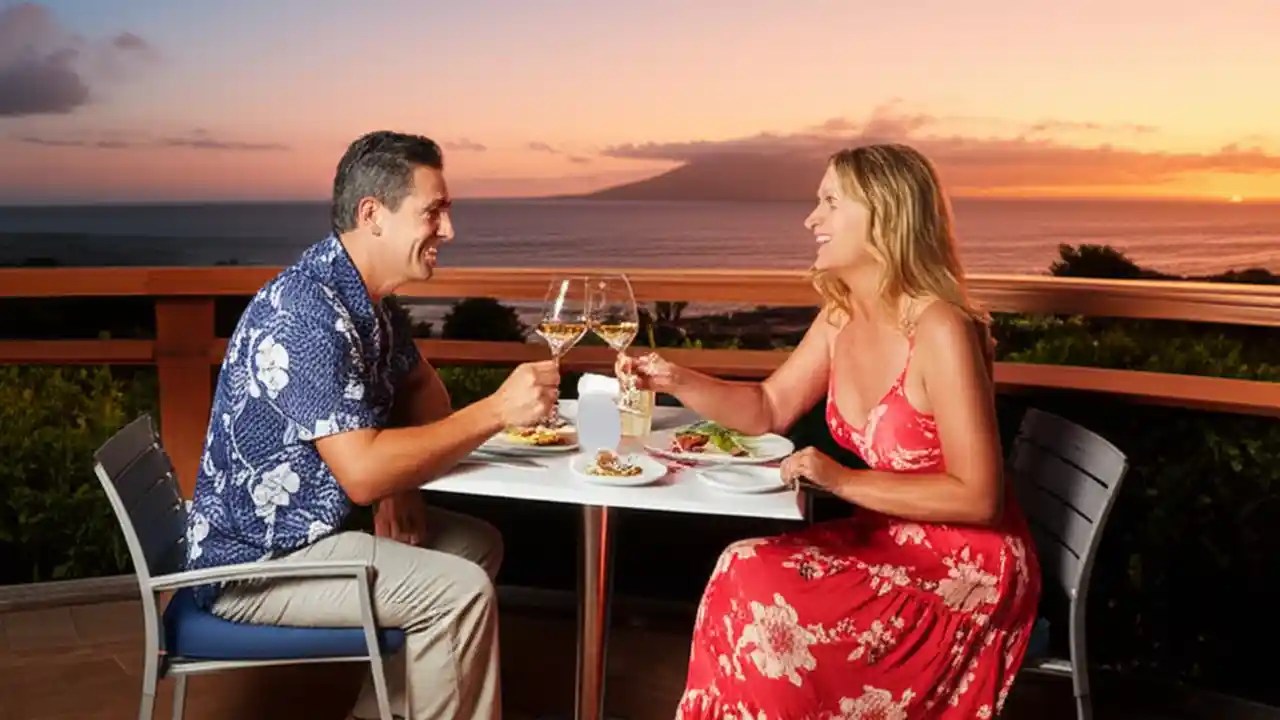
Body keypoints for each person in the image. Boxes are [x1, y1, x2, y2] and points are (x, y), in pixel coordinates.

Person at [620, 144, 1041, 719]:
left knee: (758, 586)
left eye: (830, 202)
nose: (810, 219)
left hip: (963, 570)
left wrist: (840, 480)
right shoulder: (840, 316)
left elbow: (979, 498)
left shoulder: (940, 327)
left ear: (885, 214)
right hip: (885, 538)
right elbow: (768, 406)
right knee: (741, 567)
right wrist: (674, 377)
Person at [184, 130, 561, 720]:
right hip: (260, 564)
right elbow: (362, 474)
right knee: (457, 593)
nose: (448, 230)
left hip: (316, 529)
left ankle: (385, 712)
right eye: (433, 212)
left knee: (476, 547)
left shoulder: (366, 302)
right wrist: (496, 410)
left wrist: (400, 484)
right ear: (372, 215)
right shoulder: (307, 313)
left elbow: (423, 392)